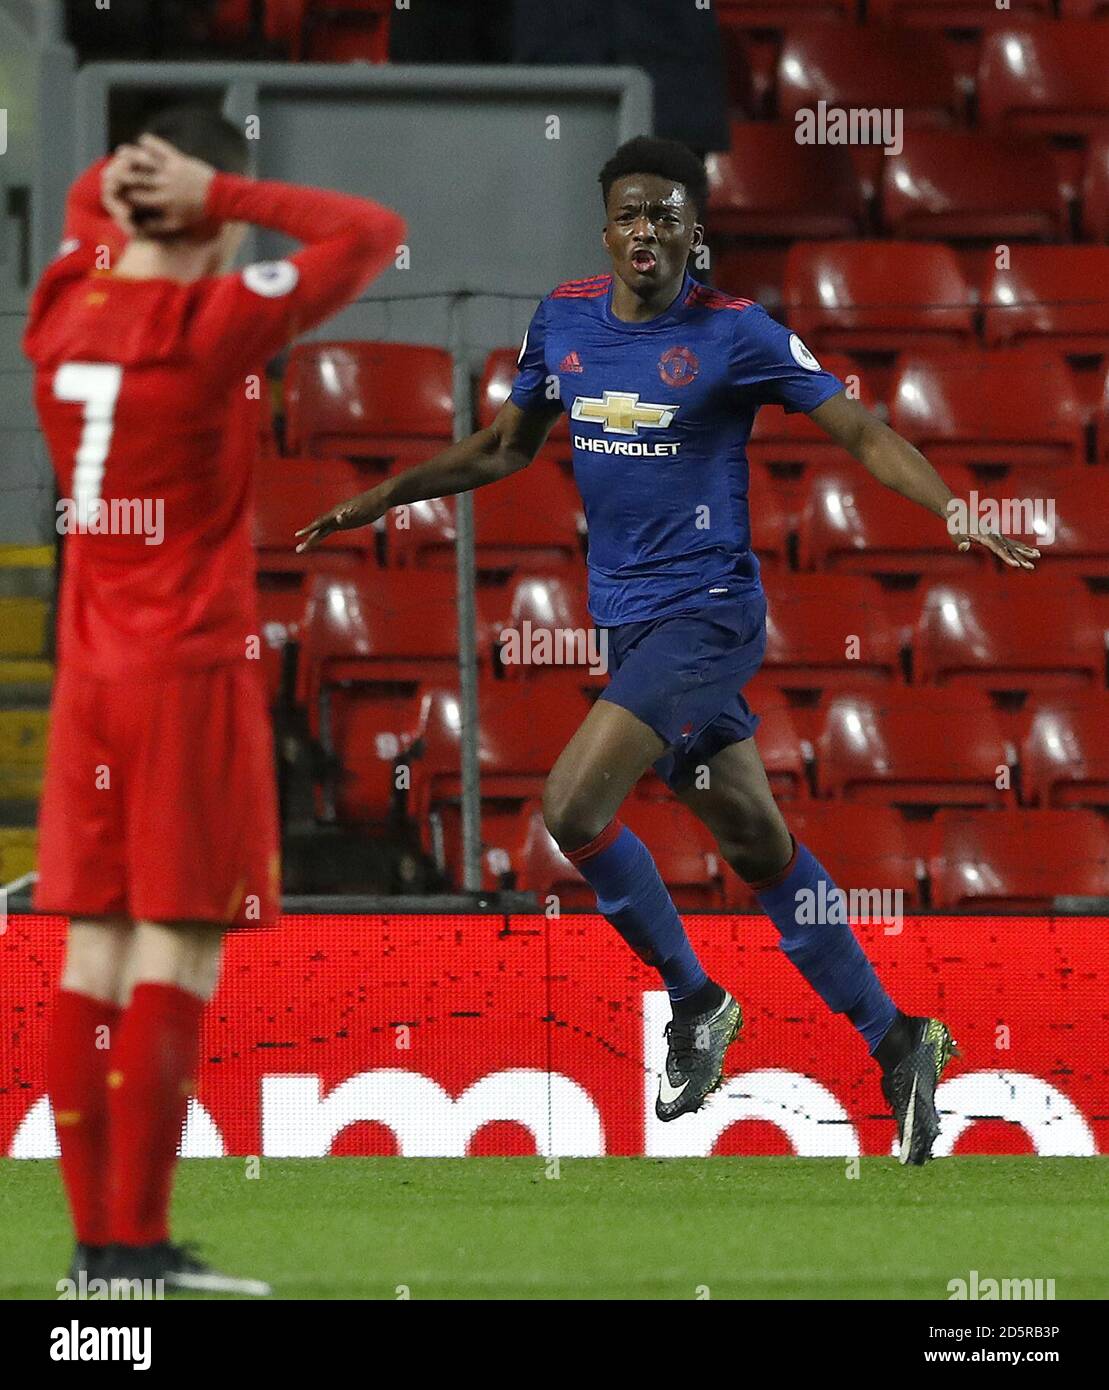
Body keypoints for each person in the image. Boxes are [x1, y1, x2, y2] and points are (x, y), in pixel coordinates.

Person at [297, 135, 1038, 1165]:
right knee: (754, 845)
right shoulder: (561, 320)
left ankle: (695, 1003)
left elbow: (861, 433)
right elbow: (506, 446)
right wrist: (389, 491)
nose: (648, 231)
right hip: (633, 624)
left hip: (709, 614)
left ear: (694, 234)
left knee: (569, 806)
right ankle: (898, 1037)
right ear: (607, 229)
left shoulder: (736, 334)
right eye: (631, 214)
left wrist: (951, 510)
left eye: (668, 216)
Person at [26, 104, 405, 1292]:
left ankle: (96, 1253)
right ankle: (134, 1250)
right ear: (196, 213)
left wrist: (156, 187)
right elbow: (368, 231)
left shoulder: (59, 311)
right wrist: (227, 193)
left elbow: (98, 205)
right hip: (186, 675)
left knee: (91, 953)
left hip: (86, 676)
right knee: (176, 958)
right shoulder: (208, 326)